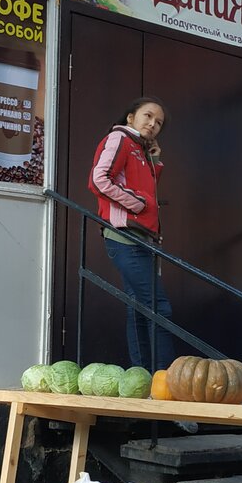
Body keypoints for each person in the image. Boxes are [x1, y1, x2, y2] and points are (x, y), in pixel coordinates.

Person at [88, 96, 176, 371]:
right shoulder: (120, 139)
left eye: (158, 122)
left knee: (138, 309)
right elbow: (98, 180)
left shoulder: (139, 148)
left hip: (142, 238)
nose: (153, 124)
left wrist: (155, 162)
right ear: (130, 117)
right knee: (159, 307)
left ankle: (145, 376)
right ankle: (165, 378)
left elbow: (144, 188)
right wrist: (136, 203)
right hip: (124, 237)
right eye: (147, 116)